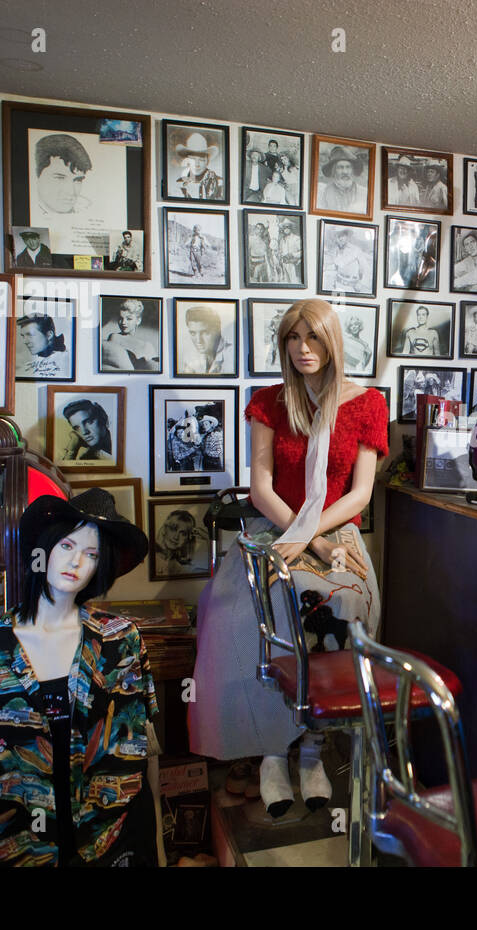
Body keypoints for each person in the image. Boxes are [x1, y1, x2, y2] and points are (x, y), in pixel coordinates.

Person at [190, 298, 388, 819]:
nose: (303, 349)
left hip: (336, 526)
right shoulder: (269, 402)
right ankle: (273, 752)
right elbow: (260, 488)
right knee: (242, 612)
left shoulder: (366, 404)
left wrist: (319, 537)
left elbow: (360, 494)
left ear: (332, 341)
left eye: (314, 338)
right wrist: (305, 538)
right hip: (274, 524)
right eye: (293, 339)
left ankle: (312, 751)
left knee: (337, 608)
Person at [0, 489, 156, 867]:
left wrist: (159, 853)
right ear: (43, 549)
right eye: (67, 545)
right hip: (26, 848)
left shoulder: (121, 639)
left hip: (117, 844)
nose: (76, 562)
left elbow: (145, 748)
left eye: (92, 554)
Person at [102, 297, 160, 371]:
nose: (123, 322)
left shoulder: (147, 346)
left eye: (129, 319)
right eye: (120, 318)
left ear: (138, 321)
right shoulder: (115, 337)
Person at [182, 305, 232, 375]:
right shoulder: (190, 358)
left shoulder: (232, 355)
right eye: (193, 333)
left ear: (217, 330)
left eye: (204, 333)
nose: (198, 341)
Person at [154, 510, 207, 576]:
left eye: (183, 533)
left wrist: (207, 537)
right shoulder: (151, 558)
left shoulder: (180, 567)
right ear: (164, 529)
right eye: (173, 529)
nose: (176, 537)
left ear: (187, 539)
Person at [316, 146, 367, 214]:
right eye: (340, 167)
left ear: (353, 170)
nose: (345, 172)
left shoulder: (364, 193)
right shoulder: (323, 193)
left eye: (348, 167)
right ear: (334, 171)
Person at [174, 132, 223, 201]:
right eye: (193, 159)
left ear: (207, 161)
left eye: (201, 160)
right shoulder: (179, 184)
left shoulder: (219, 183)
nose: (197, 164)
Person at [17, 313, 67, 377]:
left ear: (49, 335)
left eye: (30, 335)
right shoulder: (32, 363)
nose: (25, 341)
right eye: (23, 336)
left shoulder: (63, 360)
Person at [322, 227, 368, 293]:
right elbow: (335, 266)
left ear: (347, 237)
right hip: (338, 285)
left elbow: (366, 269)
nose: (340, 238)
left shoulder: (356, 250)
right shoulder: (335, 251)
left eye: (342, 235)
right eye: (337, 236)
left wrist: (361, 283)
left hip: (352, 287)